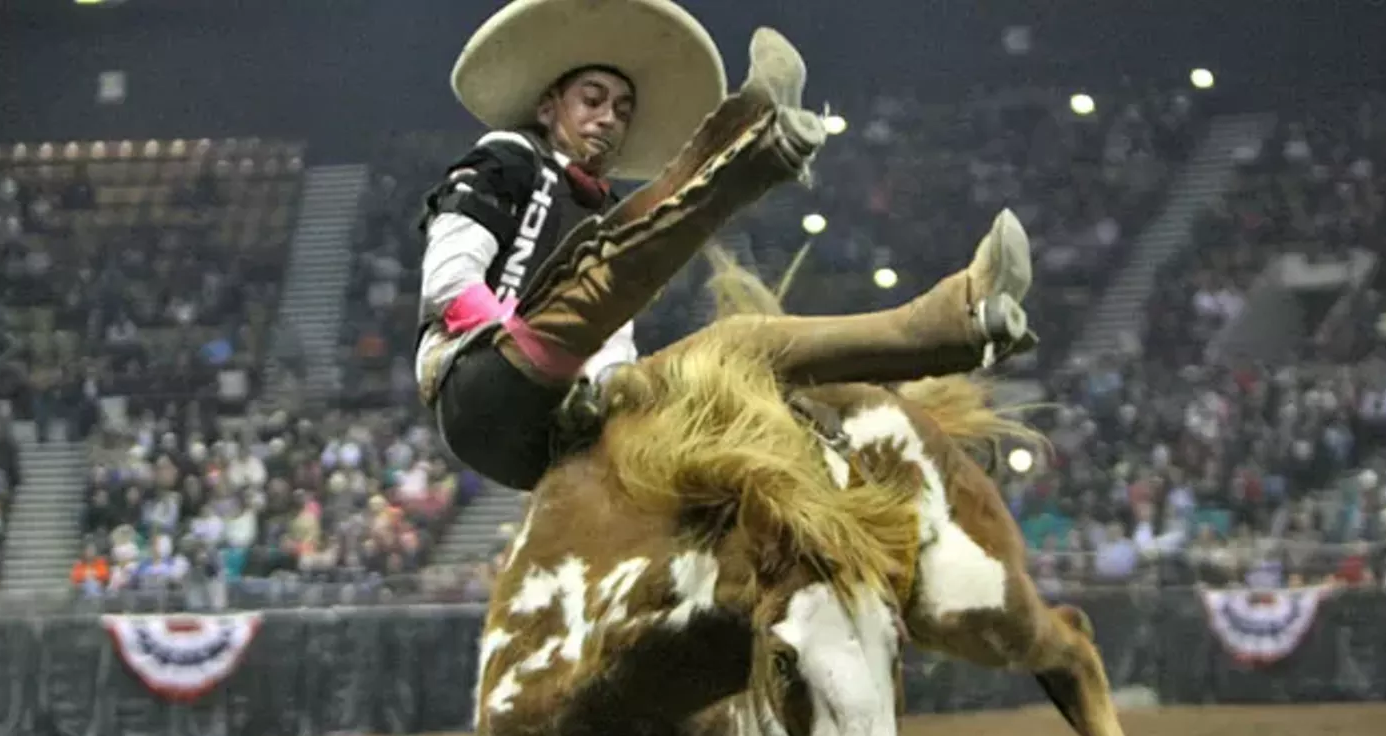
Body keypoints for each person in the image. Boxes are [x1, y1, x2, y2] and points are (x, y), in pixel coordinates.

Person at [417, 0, 1037, 491]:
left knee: (738, 349)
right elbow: (449, 279)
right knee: (617, 263)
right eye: (593, 100)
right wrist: (521, 336)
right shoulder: (508, 158)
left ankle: (959, 323)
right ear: (550, 106)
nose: (609, 118)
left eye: (622, 108)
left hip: (557, 433)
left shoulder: (600, 211)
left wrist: (616, 389)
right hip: (481, 383)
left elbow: (611, 340)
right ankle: (754, 139)